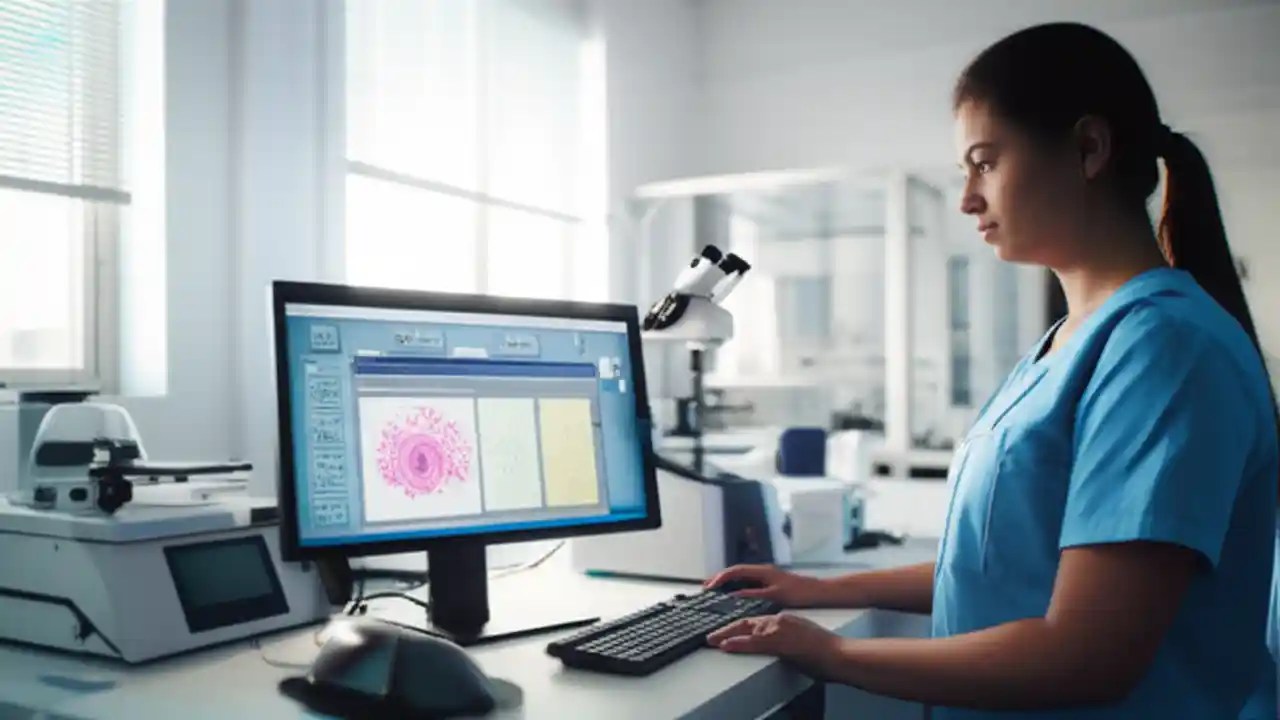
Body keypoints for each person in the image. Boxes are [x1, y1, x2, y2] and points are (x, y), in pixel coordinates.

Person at [704, 22, 1280, 720]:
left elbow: (1086, 655)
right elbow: (997, 569)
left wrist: (836, 657)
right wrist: (818, 590)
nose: (967, 198)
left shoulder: (1165, 350)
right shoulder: (1067, 343)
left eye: (985, 163)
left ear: (1089, 148)